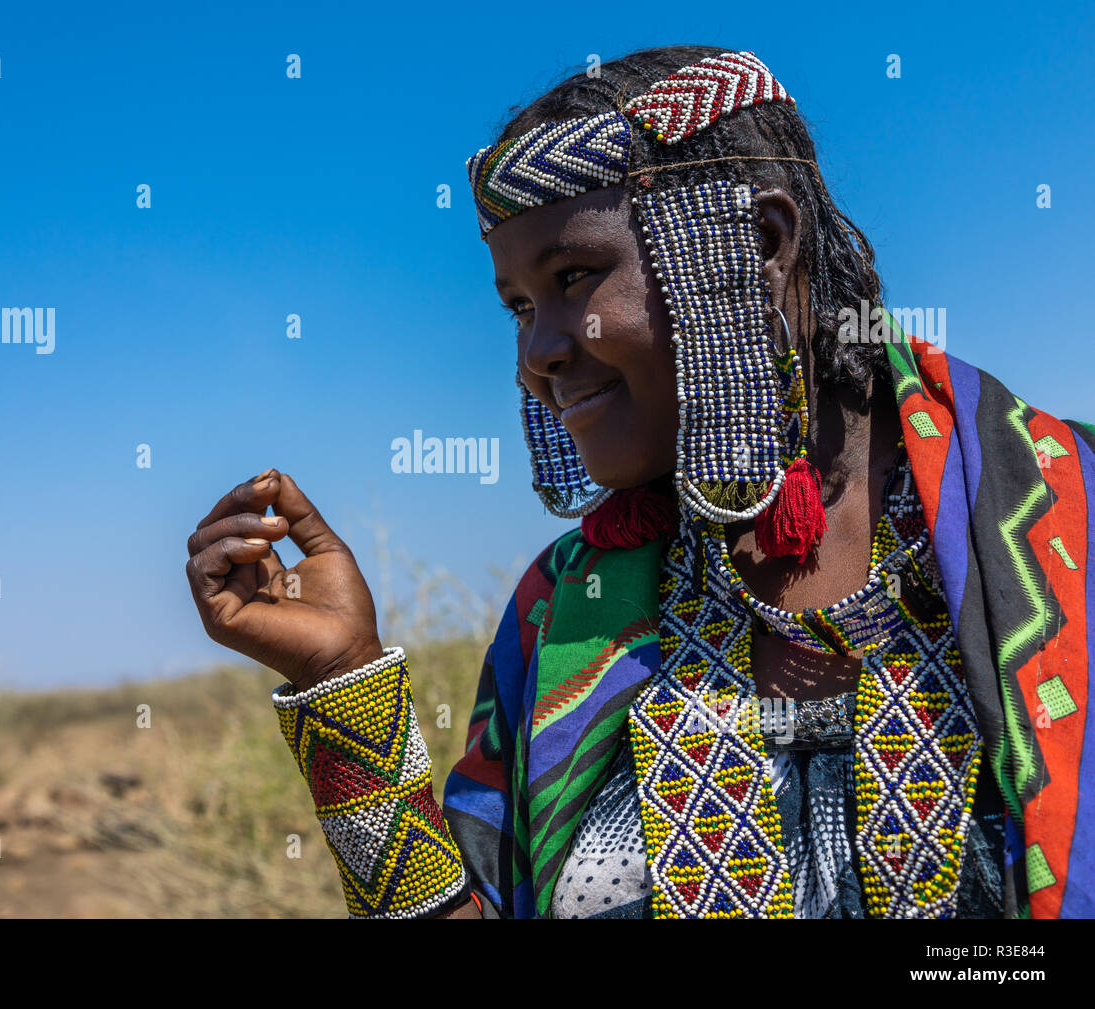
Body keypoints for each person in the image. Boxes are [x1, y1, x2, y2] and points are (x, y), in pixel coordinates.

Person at [185, 45, 1095, 919]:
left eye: (573, 276)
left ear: (762, 241)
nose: (536, 356)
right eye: (517, 307)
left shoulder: (1063, 518)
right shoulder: (562, 608)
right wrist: (342, 677)